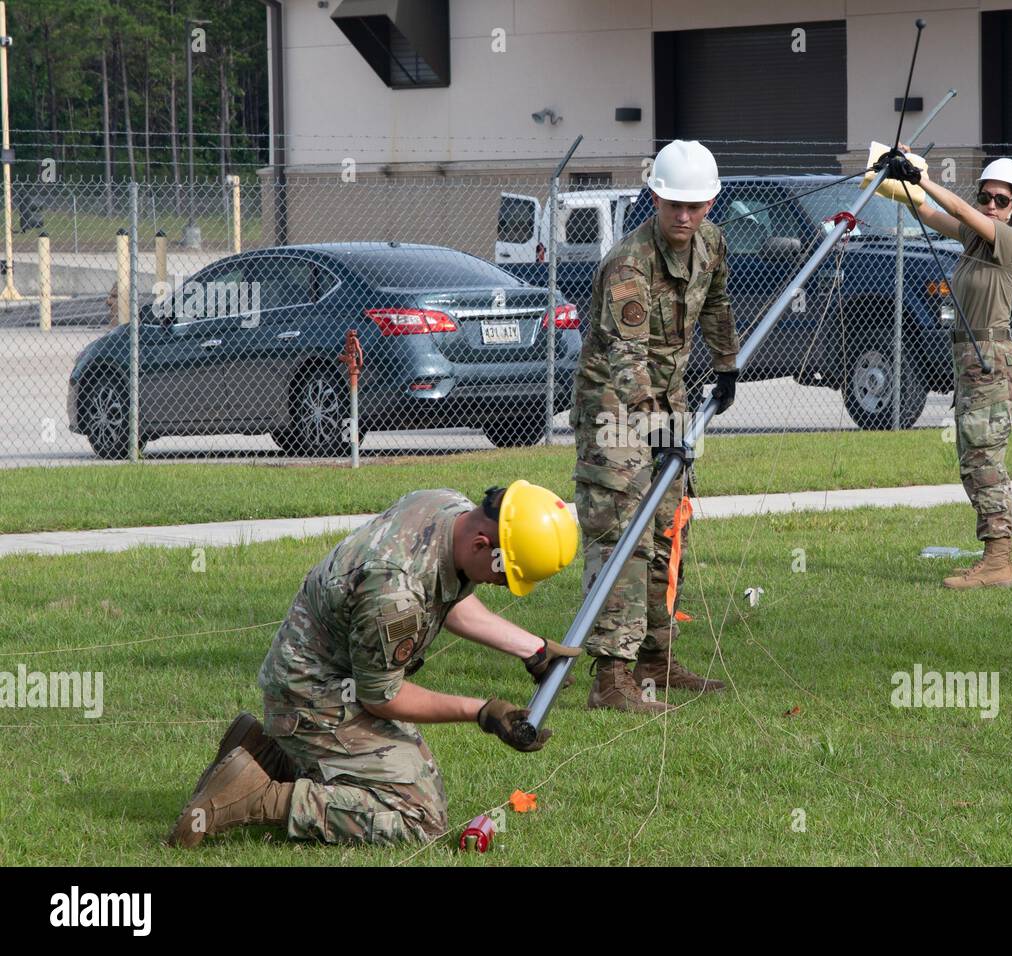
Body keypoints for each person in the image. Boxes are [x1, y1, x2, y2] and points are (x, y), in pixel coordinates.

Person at [166, 480, 579, 848]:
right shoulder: (395, 592)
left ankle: (266, 753)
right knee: (418, 817)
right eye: (505, 575)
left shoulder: (445, 507)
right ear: (481, 545)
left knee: (412, 784)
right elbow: (383, 696)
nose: (502, 585)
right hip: (314, 695)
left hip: (319, 674)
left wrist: (533, 648)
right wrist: (483, 712)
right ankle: (254, 799)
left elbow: (446, 596)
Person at [570, 139, 739, 711]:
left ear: (711, 202)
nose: (684, 217)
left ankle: (655, 661)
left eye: (694, 206)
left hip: (669, 401)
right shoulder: (628, 264)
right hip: (614, 408)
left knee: (670, 527)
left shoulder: (711, 244)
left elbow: (716, 304)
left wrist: (727, 364)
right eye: (673, 206)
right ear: (655, 199)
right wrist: (655, 426)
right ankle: (610, 678)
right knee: (624, 531)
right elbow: (626, 359)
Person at [884, 150, 1012, 588]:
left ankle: (999, 562)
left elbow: (958, 209)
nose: (990, 205)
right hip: (971, 361)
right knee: (973, 459)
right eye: (985, 196)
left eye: (1001, 200)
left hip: (990, 359)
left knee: (985, 459)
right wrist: (897, 178)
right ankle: (994, 558)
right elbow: (930, 213)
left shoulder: (1009, 242)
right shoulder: (973, 240)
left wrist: (924, 177)